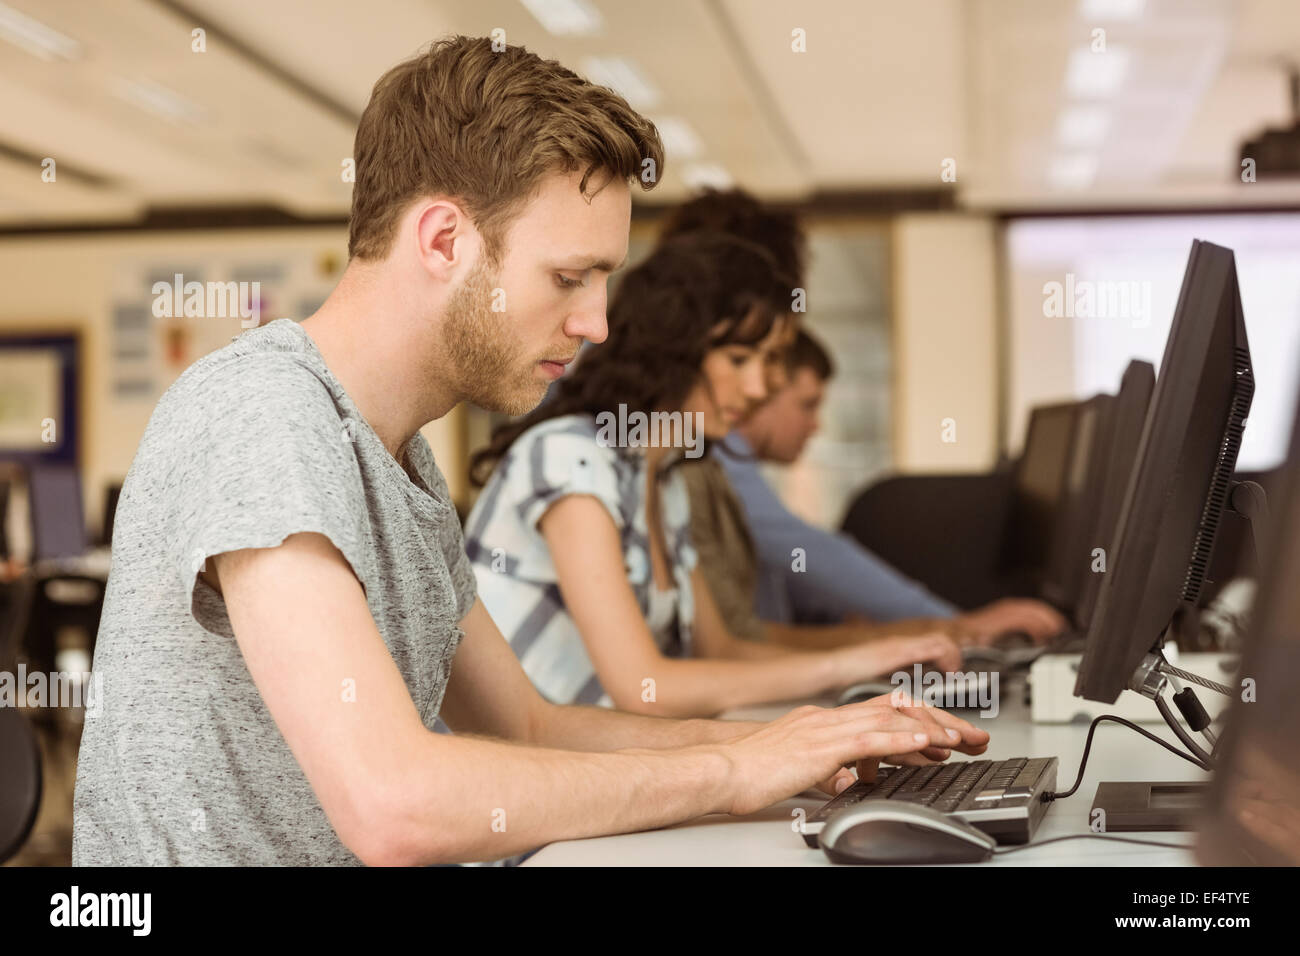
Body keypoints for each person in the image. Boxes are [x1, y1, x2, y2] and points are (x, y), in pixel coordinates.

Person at [72, 36, 988, 867]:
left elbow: (527, 724)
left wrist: (788, 744)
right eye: (568, 277)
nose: (595, 323)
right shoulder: (262, 411)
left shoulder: (401, 458)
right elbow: (395, 806)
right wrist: (732, 773)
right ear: (443, 240)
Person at [464, 232, 963, 716]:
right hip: (522, 778)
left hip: (602, 767)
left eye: (768, 363)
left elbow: (720, 649)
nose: (760, 387)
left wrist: (874, 663)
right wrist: (850, 664)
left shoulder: (665, 479)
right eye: (740, 359)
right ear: (674, 351)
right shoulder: (570, 458)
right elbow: (645, 687)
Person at [657, 189, 1064, 646]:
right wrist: (952, 628)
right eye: (748, 352)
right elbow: (783, 548)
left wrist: (909, 635)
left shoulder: (693, 455)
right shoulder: (646, 441)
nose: (762, 384)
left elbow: (738, 635)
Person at [716, 328, 1066, 644]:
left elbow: (790, 573)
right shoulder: (714, 458)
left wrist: (871, 629)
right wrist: (956, 626)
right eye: (807, 405)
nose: (815, 425)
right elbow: (802, 548)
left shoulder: (731, 464)